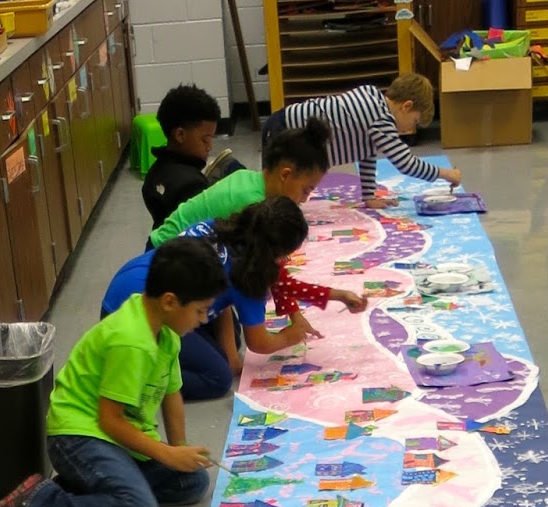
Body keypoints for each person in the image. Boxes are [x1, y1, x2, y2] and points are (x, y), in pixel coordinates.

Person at [0, 239, 225, 507]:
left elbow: (171, 393)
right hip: (78, 436)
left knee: (192, 483)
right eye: (200, 311)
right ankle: (36, 505)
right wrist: (166, 453)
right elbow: (110, 420)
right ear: (169, 301)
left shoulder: (166, 332)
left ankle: (86, 484)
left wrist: (179, 450)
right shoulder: (131, 341)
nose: (203, 320)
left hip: (115, 437)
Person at [103, 199, 366, 401]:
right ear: (273, 254)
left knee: (227, 346)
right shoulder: (248, 276)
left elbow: (236, 298)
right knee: (217, 378)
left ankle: (146, 358)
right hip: (139, 314)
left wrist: (338, 295)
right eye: (284, 256)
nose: (284, 263)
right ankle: (136, 378)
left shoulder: (221, 229)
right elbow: (259, 342)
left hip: (122, 288)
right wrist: (290, 336)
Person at [263, 74, 462, 206]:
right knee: (277, 192)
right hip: (286, 132)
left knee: (282, 189)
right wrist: (447, 174)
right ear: (406, 106)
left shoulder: (373, 97)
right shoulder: (382, 119)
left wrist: (368, 196)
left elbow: (366, 153)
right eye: (415, 121)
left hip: (283, 122)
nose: (411, 128)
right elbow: (406, 164)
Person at [148, 117, 332, 249]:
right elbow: (248, 266)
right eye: (306, 190)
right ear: (285, 175)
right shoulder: (253, 204)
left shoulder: (247, 176)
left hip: (164, 240)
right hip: (164, 254)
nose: (305, 199)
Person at [142, 83, 225, 231]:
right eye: (205, 140)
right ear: (180, 135)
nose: (209, 147)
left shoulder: (155, 172)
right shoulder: (192, 185)